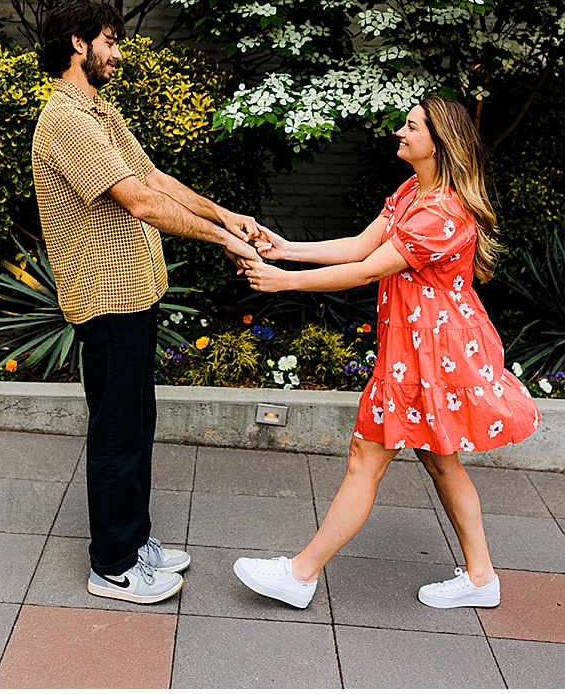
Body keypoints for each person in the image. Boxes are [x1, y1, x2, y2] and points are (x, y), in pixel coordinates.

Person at [231, 96, 540, 610]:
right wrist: (285, 249)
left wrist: (283, 281)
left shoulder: (440, 213)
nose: (400, 131)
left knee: (366, 459)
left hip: (432, 355)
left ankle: (301, 574)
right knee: (441, 464)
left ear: (438, 144)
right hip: (418, 351)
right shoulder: (412, 192)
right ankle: (481, 577)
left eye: (411, 126)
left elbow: (367, 270)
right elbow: (359, 246)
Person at [30, 0, 262, 604]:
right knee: (117, 435)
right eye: (110, 41)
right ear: (78, 43)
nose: (118, 53)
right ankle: (112, 565)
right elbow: (139, 201)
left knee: (136, 425)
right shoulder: (66, 120)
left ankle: (133, 542)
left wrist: (226, 215)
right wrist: (223, 241)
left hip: (135, 292)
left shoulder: (98, 110)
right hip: (106, 301)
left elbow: (154, 179)